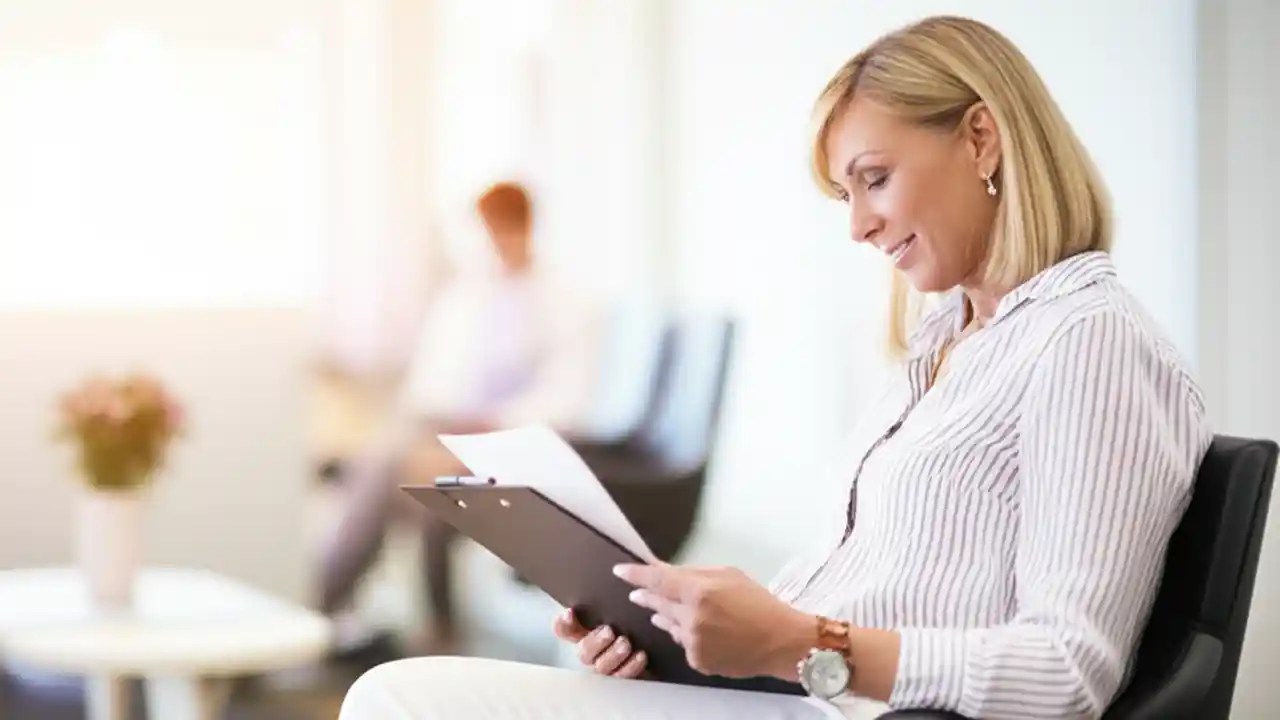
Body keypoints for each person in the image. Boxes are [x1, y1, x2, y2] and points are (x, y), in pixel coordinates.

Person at [336, 16, 1211, 720]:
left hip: (840, 705)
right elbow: (846, 609)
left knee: (399, 696)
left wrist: (793, 643)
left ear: (982, 137)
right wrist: (683, 639)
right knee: (403, 696)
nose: (859, 227)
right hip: (794, 696)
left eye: (874, 179)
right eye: (846, 195)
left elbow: (1067, 673)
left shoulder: (1089, 341)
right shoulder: (942, 346)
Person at [317, 181, 599, 659]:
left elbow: (569, 395)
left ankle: (324, 613)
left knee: (395, 472)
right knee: (385, 461)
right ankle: (354, 618)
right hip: (449, 431)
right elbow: (432, 382)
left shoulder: (565, 301)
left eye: (500, 231)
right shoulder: (467, 298)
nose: (492, 244)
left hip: (514, 441)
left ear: (524, 227)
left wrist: (491, 421)